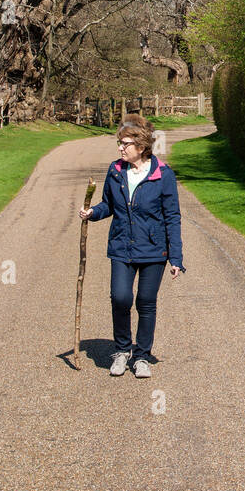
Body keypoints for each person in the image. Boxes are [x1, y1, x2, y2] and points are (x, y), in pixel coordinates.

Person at [79, 115, 185, 378]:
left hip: (153, 250)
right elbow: (108, 205)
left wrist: (176, 257)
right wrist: (92, 212)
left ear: (141, 145)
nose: (120, 148)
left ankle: (141, 357)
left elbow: (172, 217)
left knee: (146, 302)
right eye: (119, 143)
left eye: (125, 143)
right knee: (120, 297)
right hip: (122, 247)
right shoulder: (116, 171)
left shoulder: (163, 174)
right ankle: (122, 350)